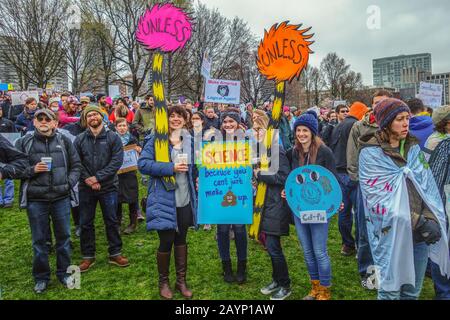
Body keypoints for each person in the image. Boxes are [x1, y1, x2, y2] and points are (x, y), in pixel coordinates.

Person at [359, 98, 449, 300]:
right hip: (389, 233)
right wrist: (419, 220)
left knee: (412, 290)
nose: (406, 123)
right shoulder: (370, 154)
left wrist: (431, 218)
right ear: (386, 122)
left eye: (407, 118)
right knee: (389, 290)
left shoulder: (413, 148)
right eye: (399, 119)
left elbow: (427, 189)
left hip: (419, 235)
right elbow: (377, 202)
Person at [15, 109, 82, 294]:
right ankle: (41, 277)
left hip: (61, 198)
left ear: (55, 123)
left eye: (48, 119)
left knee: (64, 238)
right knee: (39, 241)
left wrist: (68, 183)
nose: (43, 121)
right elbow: (14, 168)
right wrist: (32, 170)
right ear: (34, 122)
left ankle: (65, 273)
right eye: (40, 118)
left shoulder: (64, 141)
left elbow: (76, 165)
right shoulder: (24, 142)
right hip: (36, 200)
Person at [138, 105, 197, 300]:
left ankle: (181, 281)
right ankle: (163, 281)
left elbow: (199, 165)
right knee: (166, 240)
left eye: (179, 116)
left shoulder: (190, 140)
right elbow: (143, 164)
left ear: (185, 119)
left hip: (185, 197)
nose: (175, 119)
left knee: (181, 239)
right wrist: (170, 167)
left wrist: (198, 177)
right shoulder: (157, 140)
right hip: (164, 198)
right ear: (166, 119)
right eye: (172, 116)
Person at [283, 113, 338, 300]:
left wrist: (336, 201)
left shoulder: (324, 152)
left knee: (320, 251)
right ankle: (314, 287)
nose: (301, 134)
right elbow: (292, 180)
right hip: (299, 209)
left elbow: (332, 181)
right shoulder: (293, 152)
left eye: (305, 130)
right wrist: (287, 191)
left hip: (319, 209)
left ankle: (325, 290)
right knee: (307, 251)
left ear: (312, 132)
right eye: (298, 130)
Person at [74, 106, 129, 272]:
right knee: (85, 222)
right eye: (89, 115)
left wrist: (98, 178)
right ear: (85, 119)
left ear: (102, 117)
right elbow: (76, 162)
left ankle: (115, 253)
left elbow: (116, 162)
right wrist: (89, 179)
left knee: (111, 220)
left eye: (95, 114)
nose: (92, 117)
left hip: (108, 186)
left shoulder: (113, 138)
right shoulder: (80, 139)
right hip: (86, 187)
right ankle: (88, 256)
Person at [346, 91, 392, 289]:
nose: (379, 106)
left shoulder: (394, 125)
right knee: (365, 232)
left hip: (389, 188)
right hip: (365, 188)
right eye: (375, 103)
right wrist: (359, 182)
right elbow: (352, 157)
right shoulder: (359, 126)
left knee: (388, 231)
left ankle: (388, 271)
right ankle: (368, 273)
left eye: (383, 102)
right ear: (370, 105)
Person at [252, 112, 292, 300]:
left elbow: (283, 177)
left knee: (274, 247)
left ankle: (285, 285)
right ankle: (276, 279)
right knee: (269, 245)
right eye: (254, 129)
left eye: (259, 129)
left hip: (276, 204)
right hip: (265, 204)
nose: (256, 132)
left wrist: (261, 175)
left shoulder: (277, 150)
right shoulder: (262, 149)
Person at [330, 102, 369, 256]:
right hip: (352, 172)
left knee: (344, 211)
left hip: (338, 172)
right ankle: (360, 245)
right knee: (359, 212)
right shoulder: (357, 125)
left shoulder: (337, 126)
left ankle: (347, 244)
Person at [215, 109, 248, 284]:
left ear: (238, 123)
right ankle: (226, 265)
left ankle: (242, 265)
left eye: (231, 121)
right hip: (220, 191)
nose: (228, 124)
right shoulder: (215, 142)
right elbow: (206, 165)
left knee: (240, 229)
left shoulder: (247, 142)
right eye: (225, 122)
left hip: (240, 191)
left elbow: (253, 163)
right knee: (222, 230)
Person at [115, 118, 141, 235]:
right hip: (116, 174)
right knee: (117, 199)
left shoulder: (133, 139)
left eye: (124, 126)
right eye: (119, 126)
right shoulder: (112, 139)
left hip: (130, 174)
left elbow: (140, 153)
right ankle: (117, 222)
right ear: (116, 127)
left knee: (132, 198)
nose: (122, 128)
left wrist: (138, 150)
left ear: (127, 127)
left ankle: (133, 223)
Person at [0, 104, 18, 208]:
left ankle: (8, 200)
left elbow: (14, 137)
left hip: (6, 155)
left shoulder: (8, 123)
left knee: (9, 178)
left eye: (0, 109)